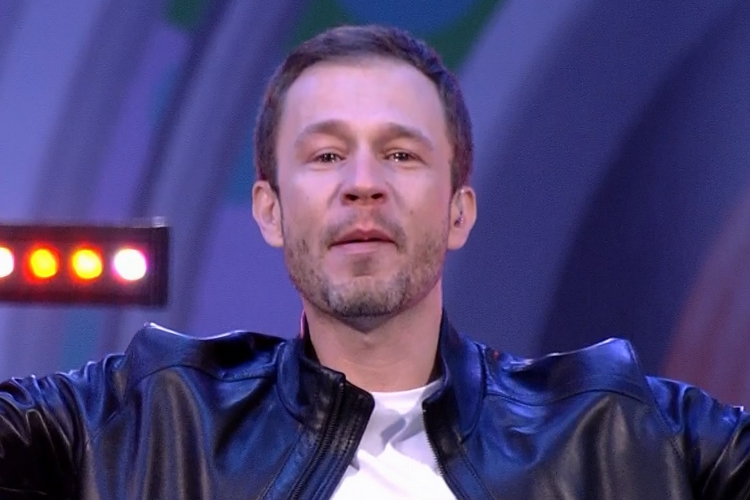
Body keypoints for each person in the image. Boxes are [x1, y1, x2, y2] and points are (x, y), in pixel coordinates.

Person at [1, 23, 749, 500]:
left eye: (400, 154)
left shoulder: (616, 430)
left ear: (459, 213)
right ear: (270, 210)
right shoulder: (146, 420)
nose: (363, 183)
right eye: (327, 155)